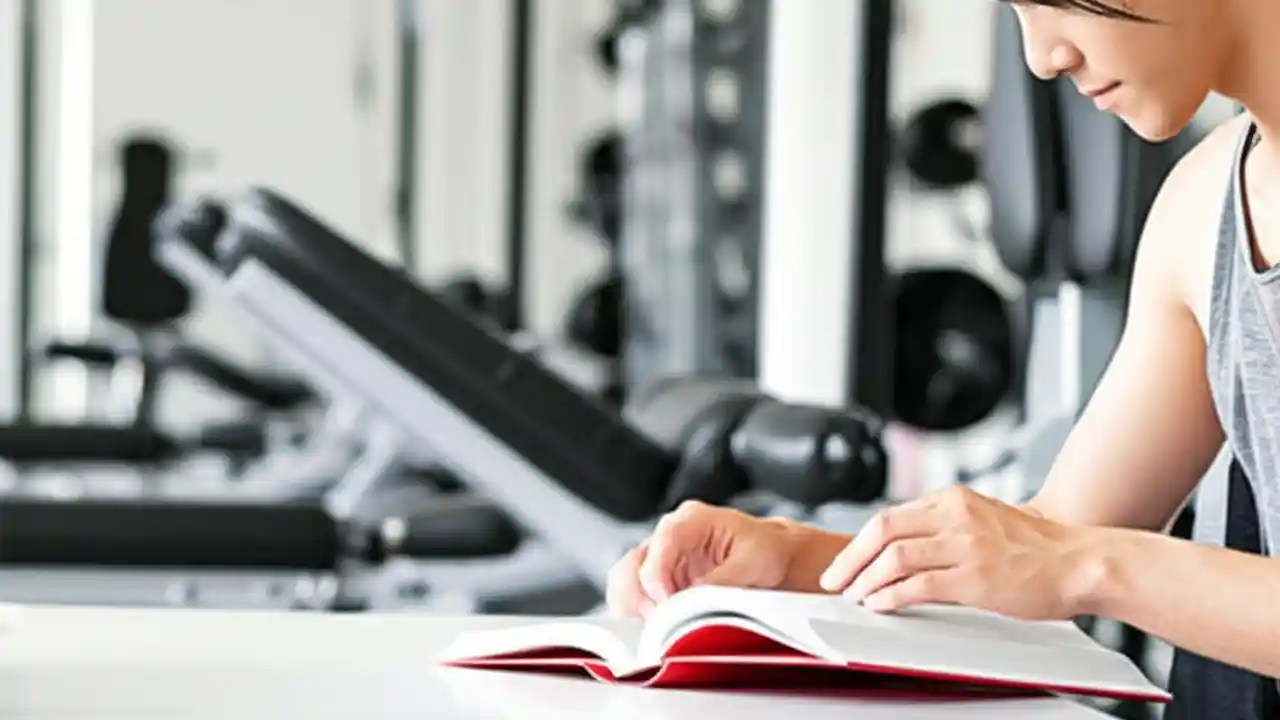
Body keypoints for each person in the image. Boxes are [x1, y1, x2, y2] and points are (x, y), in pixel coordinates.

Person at [606, 1, 1280, 718]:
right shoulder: (1203, 208)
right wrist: (791, 561)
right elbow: (1047, 540)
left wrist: (1088, 565)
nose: (1043, 56)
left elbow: (1075, 555)